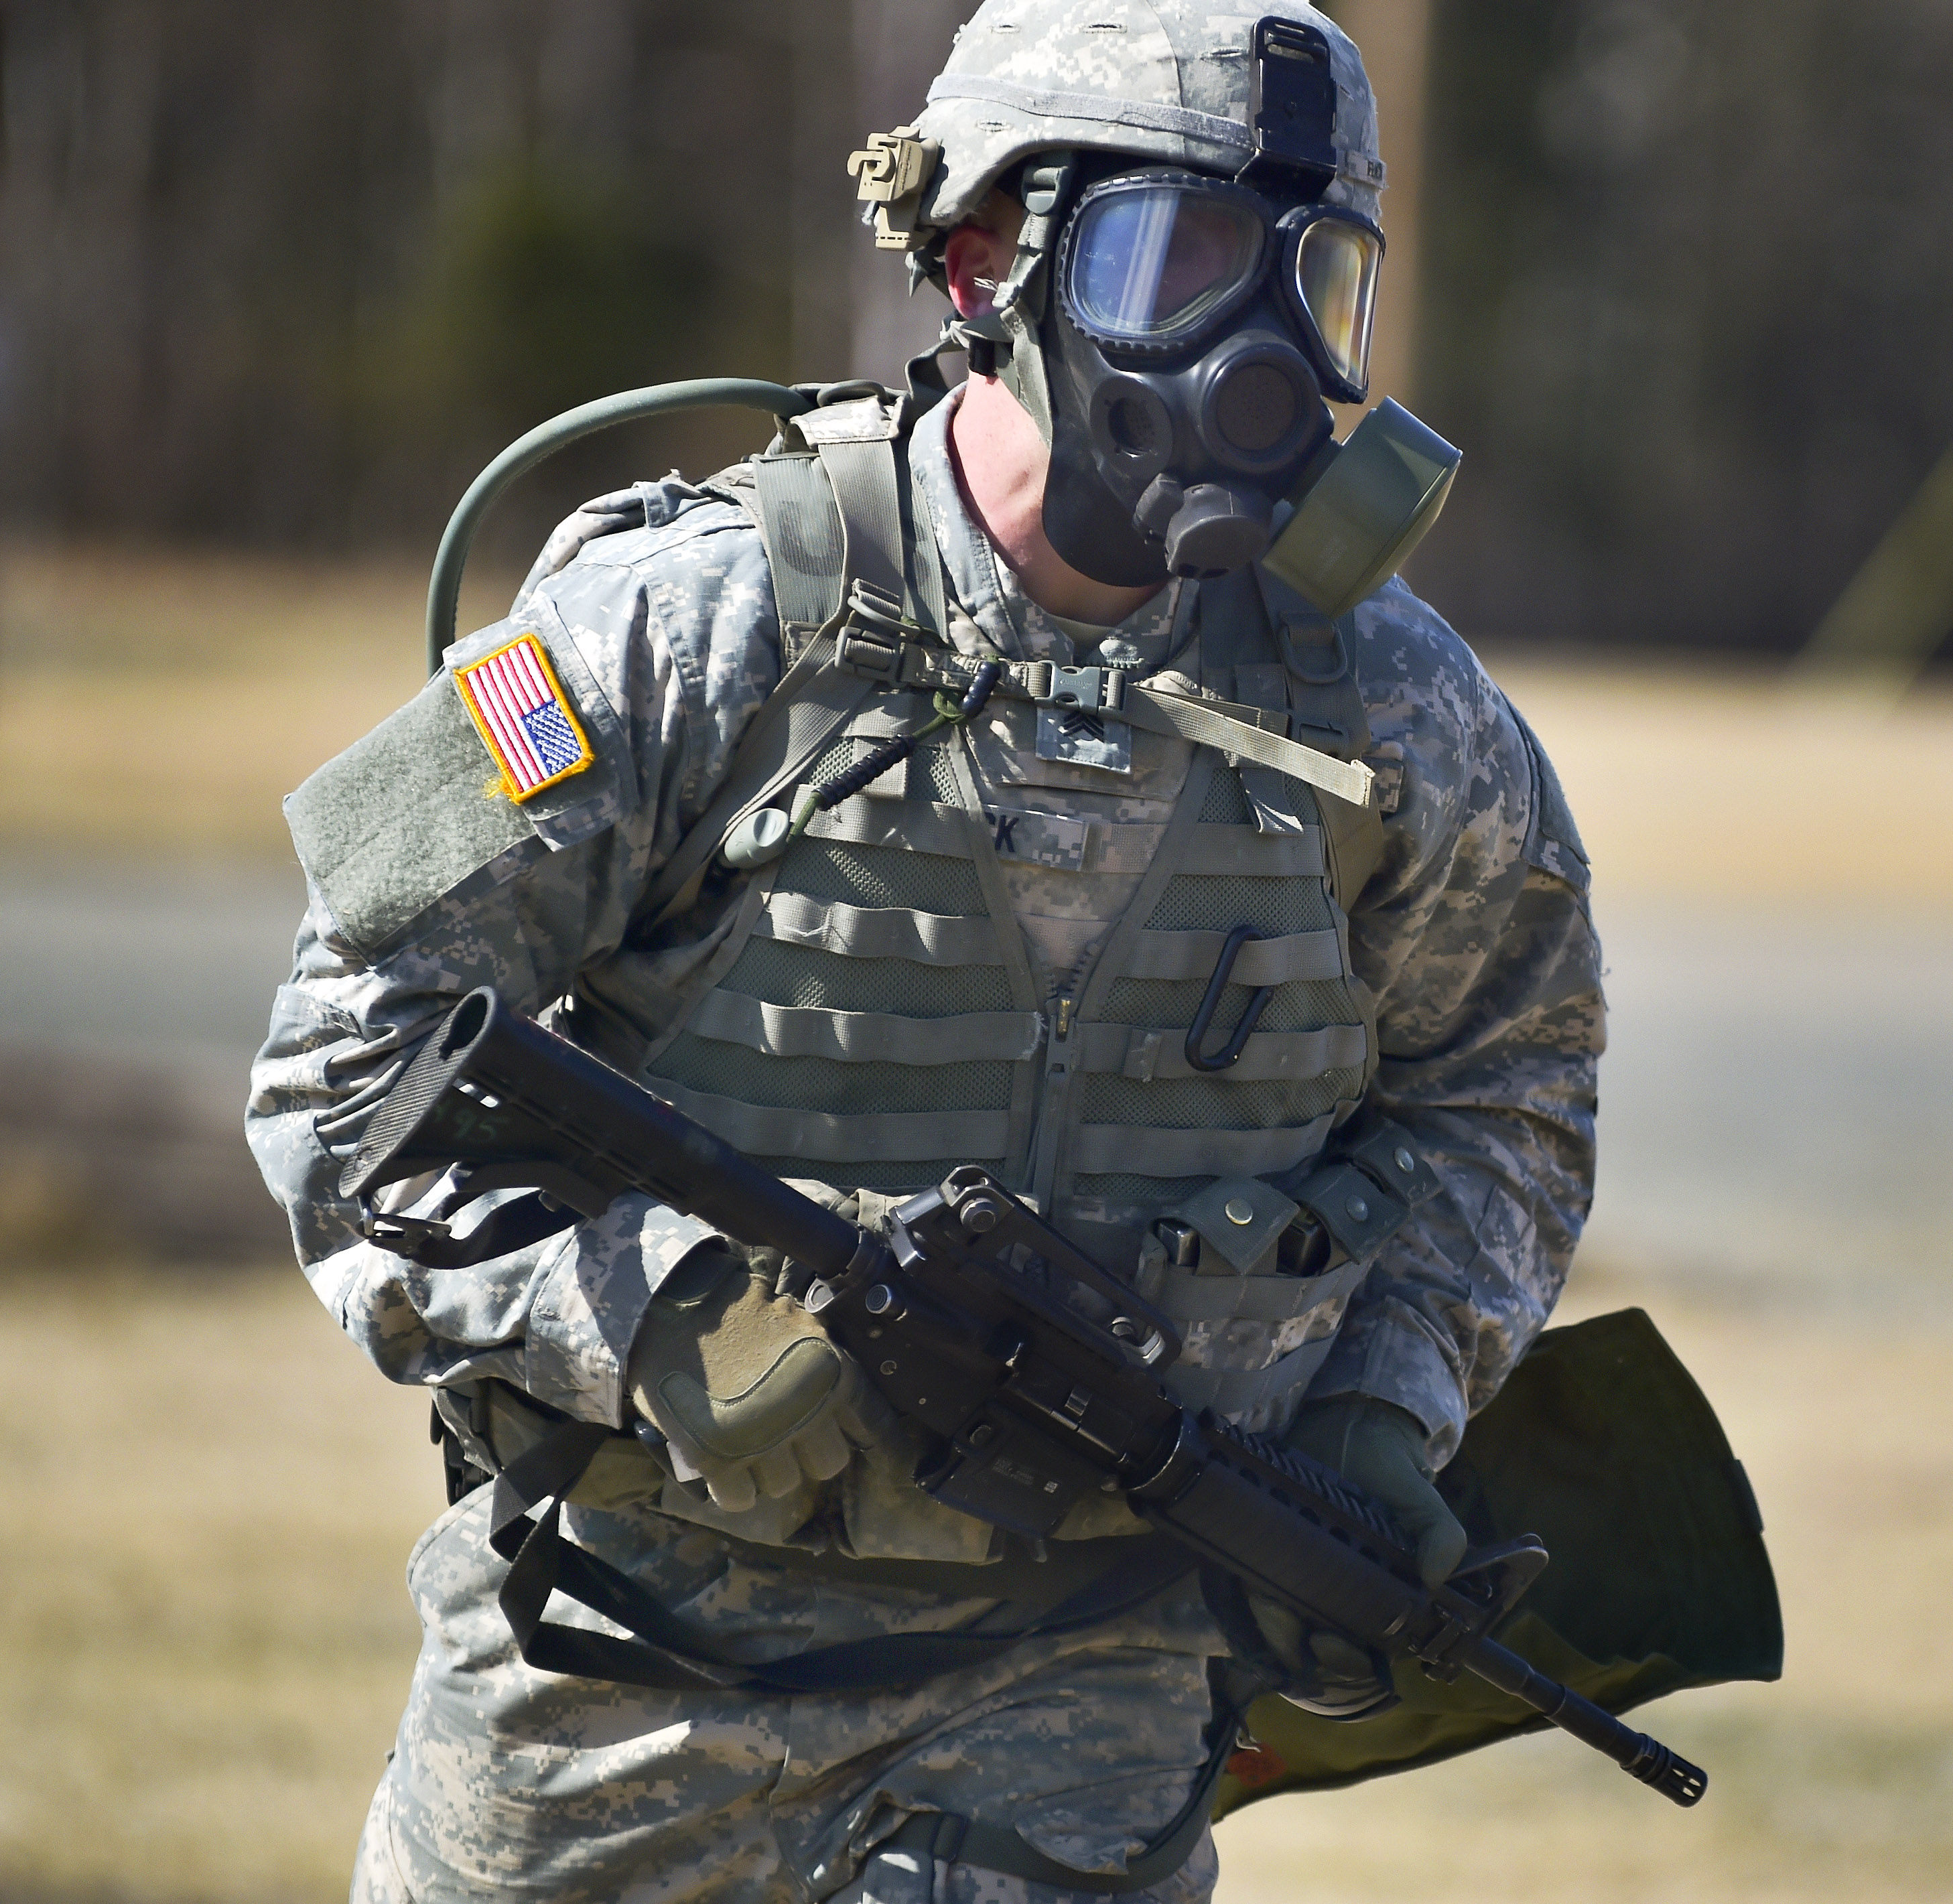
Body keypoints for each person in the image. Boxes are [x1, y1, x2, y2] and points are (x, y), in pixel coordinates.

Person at [247, 3, 1601, 1898]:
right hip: (619, 1670)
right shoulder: (686, 629)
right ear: (987, 259)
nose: (1267, 347)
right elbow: (340, 1063)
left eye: (1319, 278)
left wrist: (1382, 1406)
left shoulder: (1396, 716)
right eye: (1188, 255)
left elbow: (1508, 1082)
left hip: (1083, 1685)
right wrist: (648, 1316)